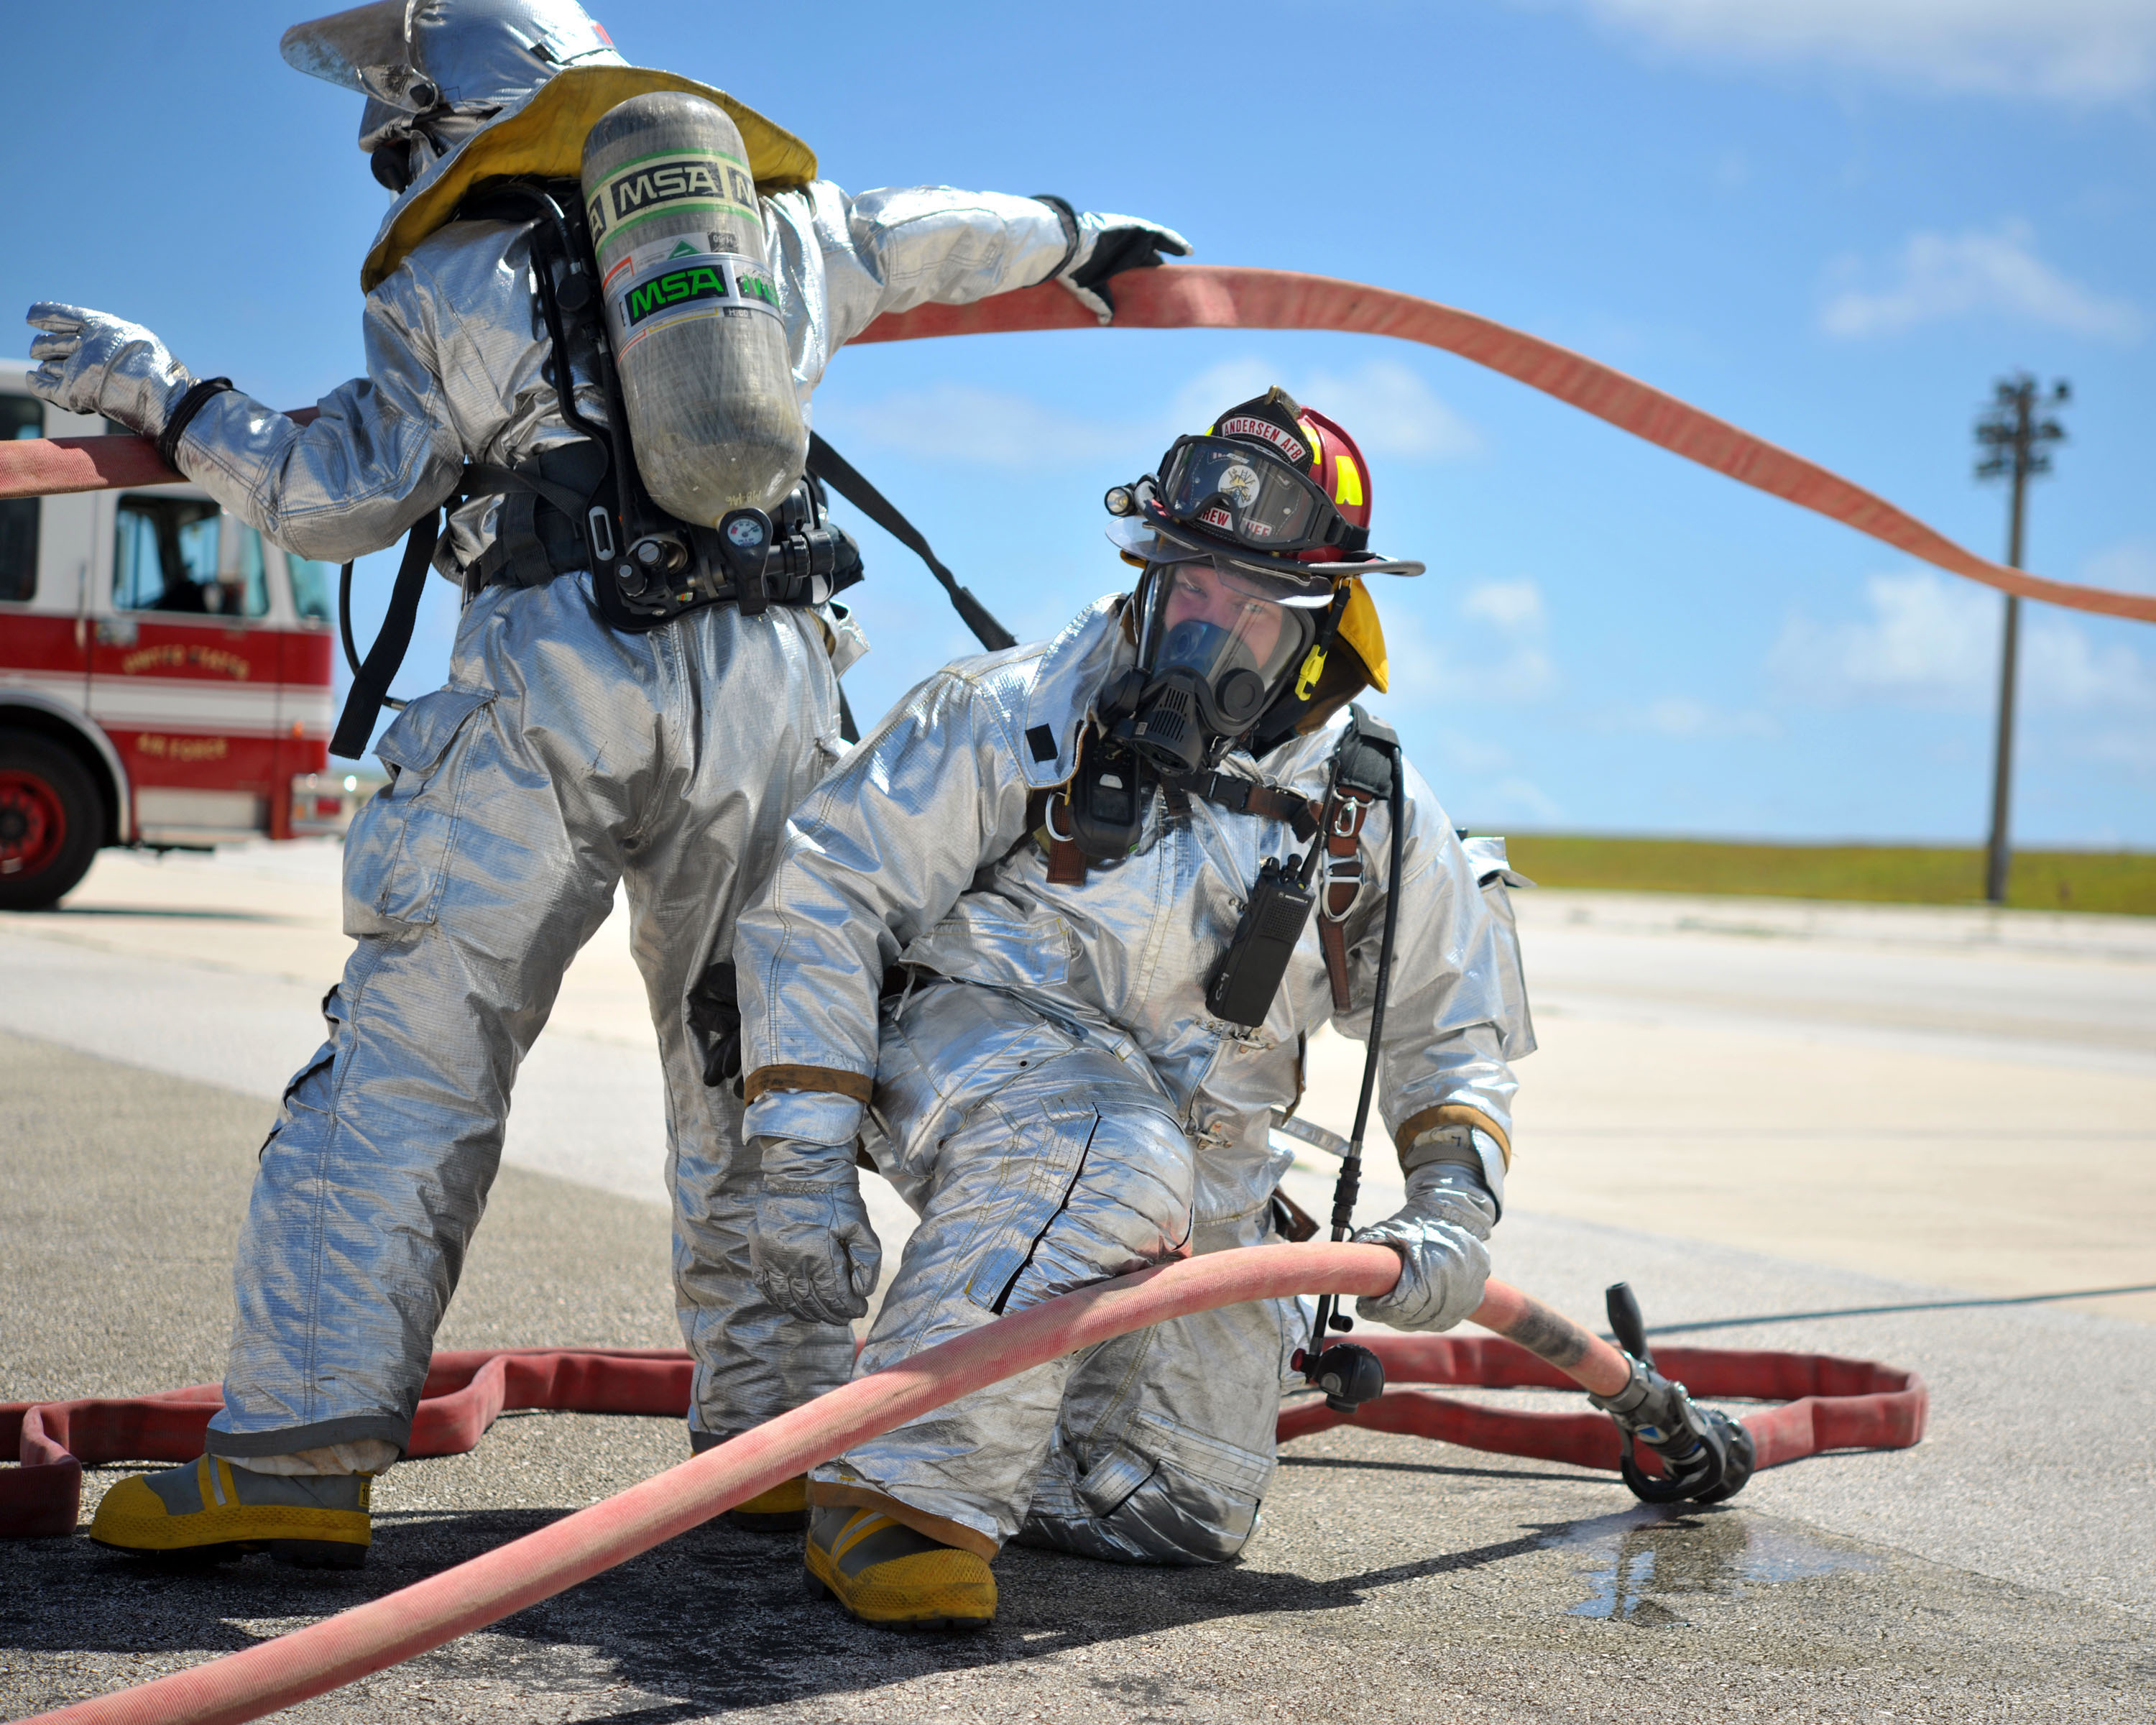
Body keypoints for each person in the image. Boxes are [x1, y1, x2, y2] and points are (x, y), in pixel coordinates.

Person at [29, 0, 1189, 1568]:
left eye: (396, 103)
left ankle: (296, 1457)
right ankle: (776, 1436)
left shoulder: (449, 270)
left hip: (547, 674)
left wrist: (160, 393)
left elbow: (340, 493)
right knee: (759, 1061)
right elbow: (933, 232)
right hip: (772, 671)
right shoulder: (780, 227)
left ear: (445, 104)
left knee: (413, 1062)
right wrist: (1083, 235)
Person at [730, 387, 1536, 1629]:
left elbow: (1451, 1027)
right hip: (978, 1059)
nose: (1208, 631)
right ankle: (894, 1495)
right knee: (1108, 1142)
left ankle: (963, 1413)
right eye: (1193, 589)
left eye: (1252, 609)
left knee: (1171, 1511)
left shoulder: (1376, 812)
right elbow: (821, 902)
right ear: (1150, 573)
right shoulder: (1013, 712)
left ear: (1317, 629)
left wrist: (1450, 1212)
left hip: (1204, 1166)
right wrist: (798, 1164)